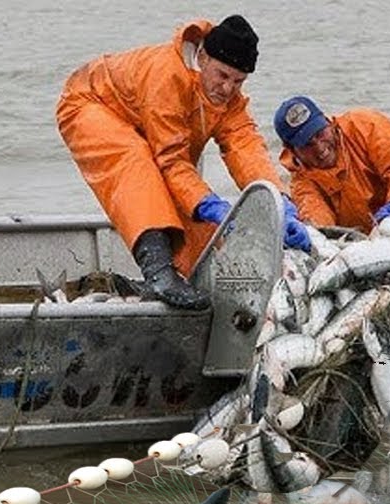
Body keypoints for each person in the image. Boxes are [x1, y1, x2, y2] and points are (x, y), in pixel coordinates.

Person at [57, 15, 311, 309]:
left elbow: (245, 146)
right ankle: (159, 273)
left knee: (199, 221)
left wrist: (278, 202)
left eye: (238, 81)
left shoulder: (228, 99)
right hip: (89, 103)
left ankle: (190, 282)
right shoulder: (166, 75)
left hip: (150, 127)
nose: (227, 88)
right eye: (222, 76)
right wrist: (209, 204)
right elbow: (172, 162)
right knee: (137, 162)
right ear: (202, 58)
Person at [272, 95, 390, 232]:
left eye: (320, 134)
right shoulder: (302, 184)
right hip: (378, 225)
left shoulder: (365, 124)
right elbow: (321, 225)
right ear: (292, 150)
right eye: (307, 144)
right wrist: (312, 235)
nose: (320, 147)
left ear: (327, 122)